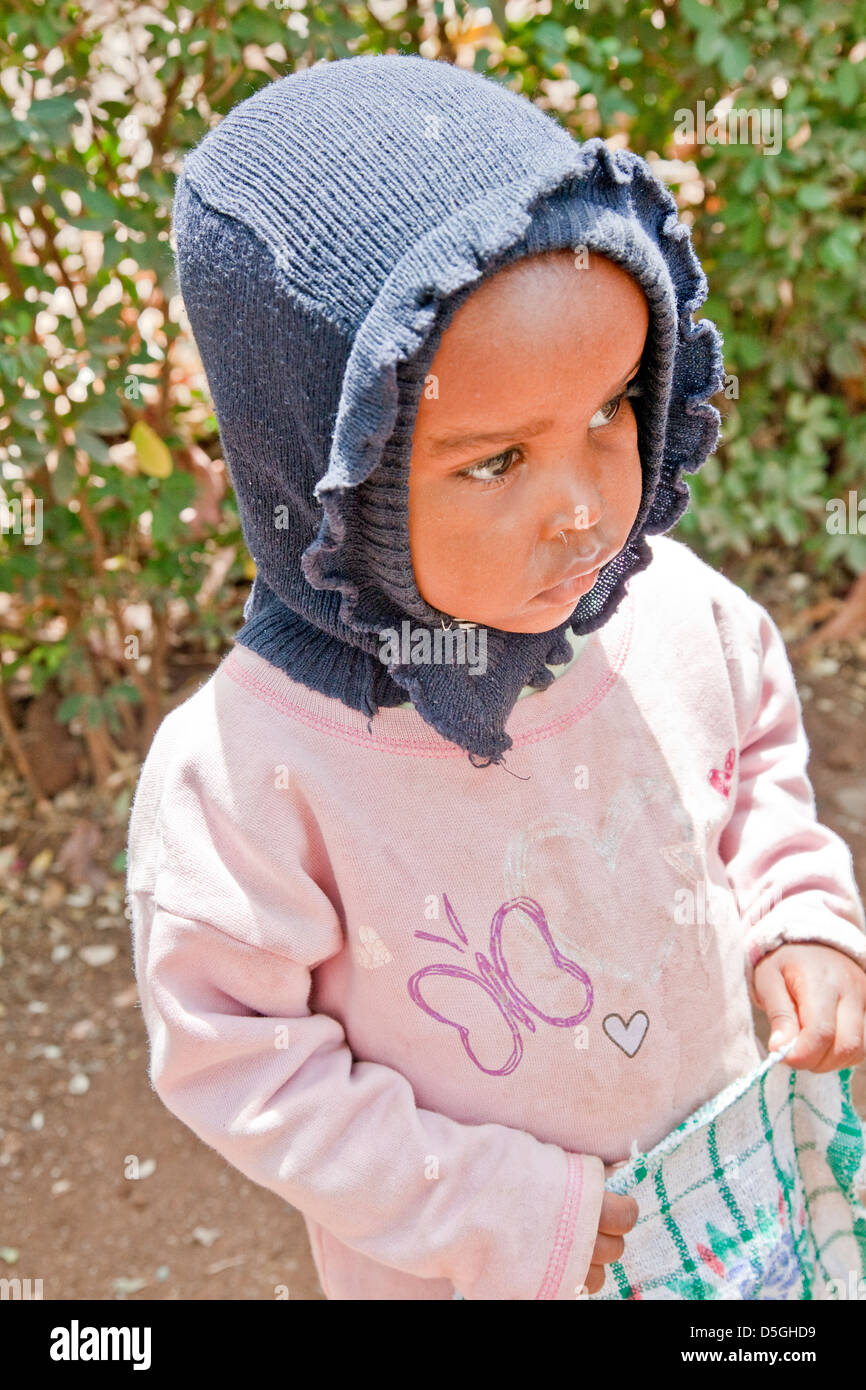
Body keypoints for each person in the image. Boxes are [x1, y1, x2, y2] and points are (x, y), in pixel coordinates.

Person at [125, 53, 866, 1301]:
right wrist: (493, 1209)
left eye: (607, 414)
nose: (583, 511)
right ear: (326, 472)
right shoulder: (253, 779)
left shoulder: (673, 614)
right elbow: (237, 1060)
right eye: (492, 462)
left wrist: (800, 917)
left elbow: (755, 783)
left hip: (740, 1214)